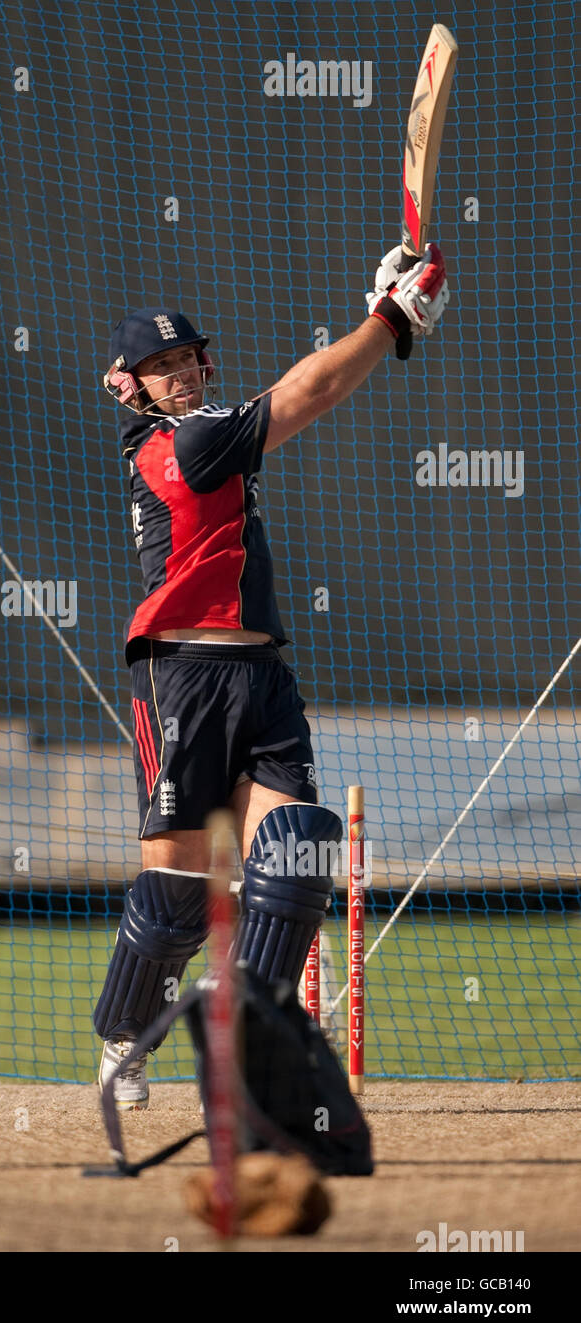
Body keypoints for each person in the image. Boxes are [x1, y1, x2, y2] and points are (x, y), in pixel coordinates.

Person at [94, 244, 449, 1107]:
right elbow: (312, 390)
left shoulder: (209, 431)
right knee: (178, 892)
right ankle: (123, 1042)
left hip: (262, 674)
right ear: (130, 385)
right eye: (159, 366)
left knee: (295, 856)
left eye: (186, 359)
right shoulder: (184, 443)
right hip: (181, 676)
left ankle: (252, 1043)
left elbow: (305, 388)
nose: (178, 374)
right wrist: (391, 318)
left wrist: (378, 311)